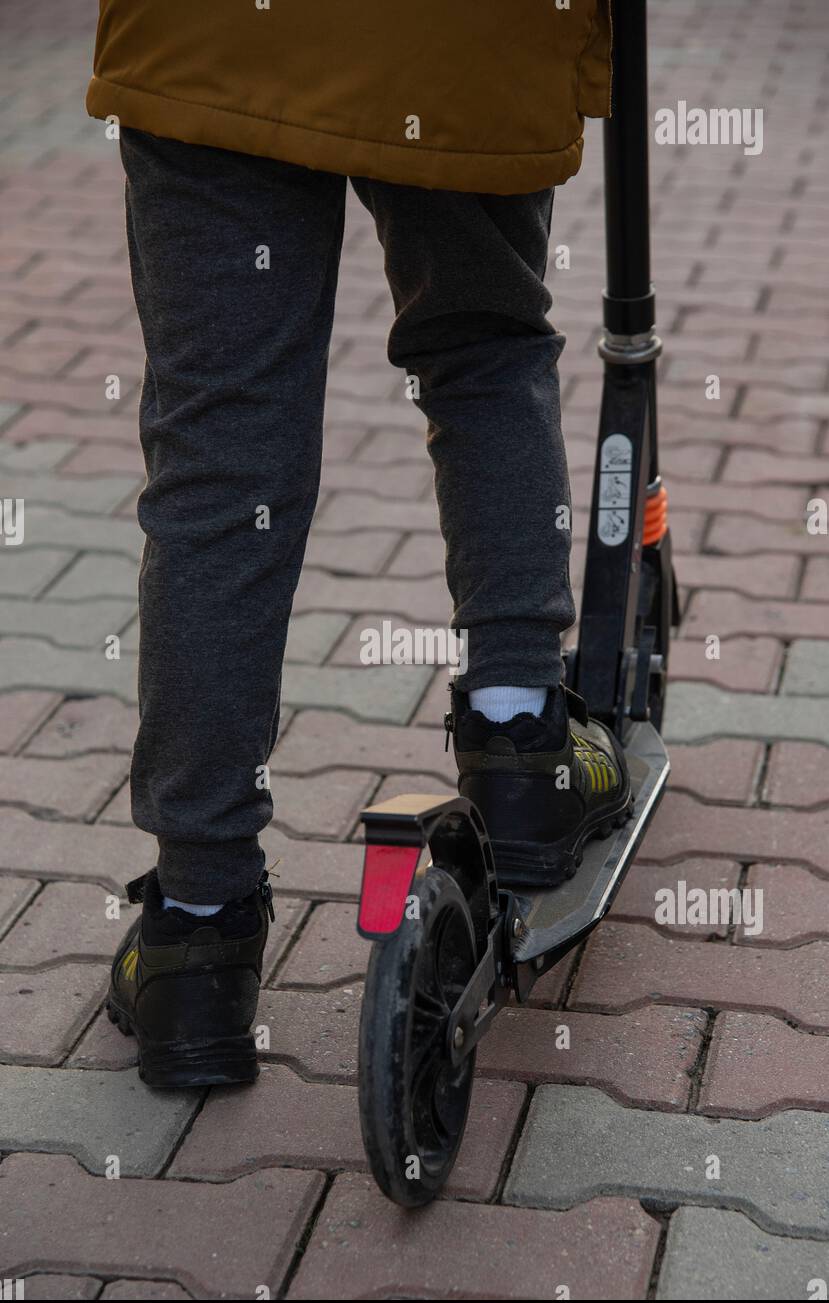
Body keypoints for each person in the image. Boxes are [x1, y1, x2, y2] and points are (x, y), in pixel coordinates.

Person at [87, 0, 627, 1089]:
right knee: (481, 349)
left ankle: (196, 932)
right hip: (464, 35)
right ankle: (521, 746)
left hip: (216, 40)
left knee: (221, 462)